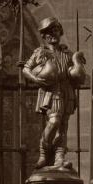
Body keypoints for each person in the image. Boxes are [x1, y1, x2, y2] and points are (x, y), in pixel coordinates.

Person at [23, 16, 86, 169]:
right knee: (54, 121)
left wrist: (78, 64)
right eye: (49, 32)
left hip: (67, 91)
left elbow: (77, 74)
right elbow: (26, 69)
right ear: (44, 36)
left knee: (63, 126)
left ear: (60, 32)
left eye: (56, 30)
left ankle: (59, 158)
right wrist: (36, 80)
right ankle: (44, 152)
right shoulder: (40, 52)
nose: (53, 34)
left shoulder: (67, 53)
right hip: (52, 92)